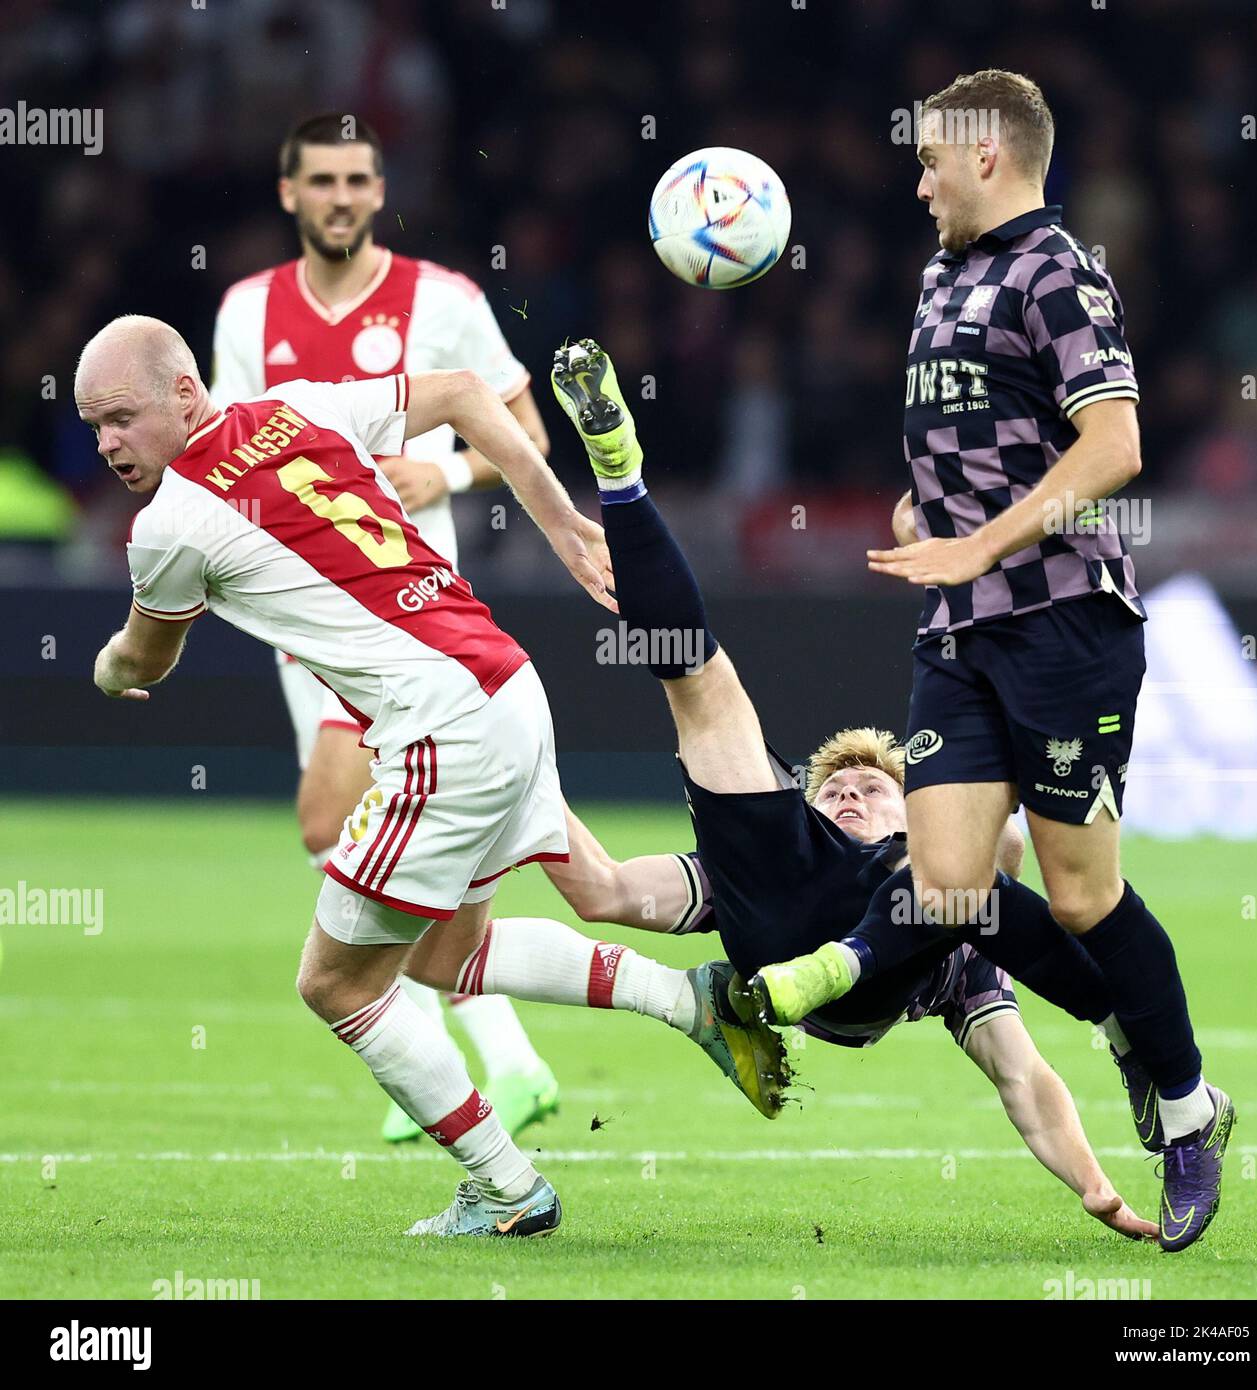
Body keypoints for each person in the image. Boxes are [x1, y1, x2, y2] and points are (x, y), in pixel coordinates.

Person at [421, 334, 1155, 1241]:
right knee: (696, 677)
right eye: (837, 785)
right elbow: (602, 890)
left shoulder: (946, 897)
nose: (850, 792)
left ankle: (858, 966)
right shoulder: (764, 860)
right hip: (777, 893)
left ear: (912, 800)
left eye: (872, 789)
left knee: (967, 872)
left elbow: (1024, 1080)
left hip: (894, 919)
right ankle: (621, 475)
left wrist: (1094, 1186)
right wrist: (522, 778)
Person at [82, 315, 781, 1237]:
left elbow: (147, 659)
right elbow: (459, 393)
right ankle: (685, 998)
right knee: (447, 956)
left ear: (183, 393)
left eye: (122, 418)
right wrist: (562, 517)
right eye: (94, 425)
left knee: (335, 984)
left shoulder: (169, 526)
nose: (106, 444)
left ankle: (507, 1187)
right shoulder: (296, 408)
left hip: (442, 732)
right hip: (506, 685)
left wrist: (105, 670)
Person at [751, 70, 1233, 1252]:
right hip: (961, 633)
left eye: (928, 162)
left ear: (987, 157)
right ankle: (1124, 1033)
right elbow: (966, 455)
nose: (915, 184)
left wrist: (982, 539)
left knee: (1080, 893)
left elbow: (1112, 442)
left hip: (1064, 621)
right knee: (951, 884)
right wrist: (931, 527)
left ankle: (1184, 1112)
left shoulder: (1058, 269)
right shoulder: (941, 276)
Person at [211, 112, 559, 1142]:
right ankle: (500, 1058)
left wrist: (445, 467)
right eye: (321, 180)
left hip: (407, 615)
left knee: (333, 824)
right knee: (373, 839)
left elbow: (525, 435)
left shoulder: (442, 302)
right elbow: (227, 450)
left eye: (358, 179)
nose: (341, 197)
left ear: (379, 189)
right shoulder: (246, 311)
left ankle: (464, 1058)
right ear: (290, 193)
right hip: (300, 610)